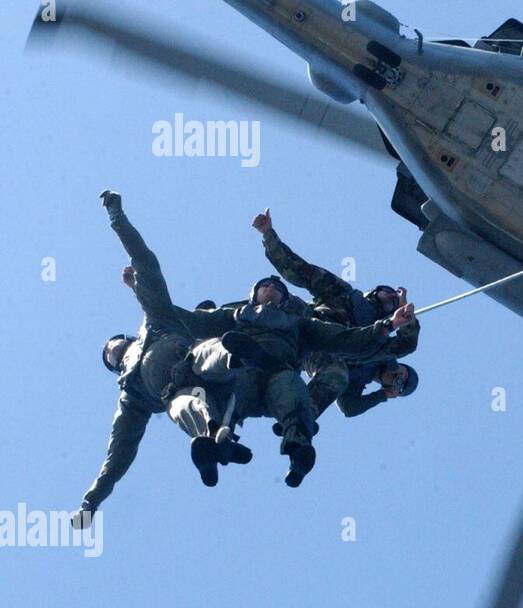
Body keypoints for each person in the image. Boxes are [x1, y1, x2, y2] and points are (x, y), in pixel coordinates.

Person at [76, 192, 251, 527]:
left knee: (206, 353)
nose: (112, 351)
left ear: (126, 338)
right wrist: (90, 503)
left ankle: (235, 354)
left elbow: (145, 261)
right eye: (109, 357)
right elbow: (117, 456)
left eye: (114, 345)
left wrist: (116, 215)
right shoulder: (132, 396)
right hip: (186, 396)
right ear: (115, 367)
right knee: (183, 404)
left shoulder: (156, 322)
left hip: (200, 362)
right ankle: (213, 442)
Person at [170, 274, 416, 486]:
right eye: (265, 286)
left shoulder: (357, 363)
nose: (397, 379)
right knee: (233, 386)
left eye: (400, 385)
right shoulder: (347, 299)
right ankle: (216, 444)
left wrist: (392, 325)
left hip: (299, 366)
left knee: (303, 384)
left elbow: (352, 353)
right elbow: (194, 321)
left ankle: (298, 437)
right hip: (272, 353)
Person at [252, 209, 420, 418]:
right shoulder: (344, 294)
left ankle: (297, 418)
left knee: (335, 372)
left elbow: (349, 407)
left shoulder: (376, 351)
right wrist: (268, 234)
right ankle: (238, 319)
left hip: (312, 349)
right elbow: (300, 270)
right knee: (275, 293)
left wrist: (382, 395)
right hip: (307, 322)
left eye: (399, 382)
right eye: (387, 294)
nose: (390, 299)